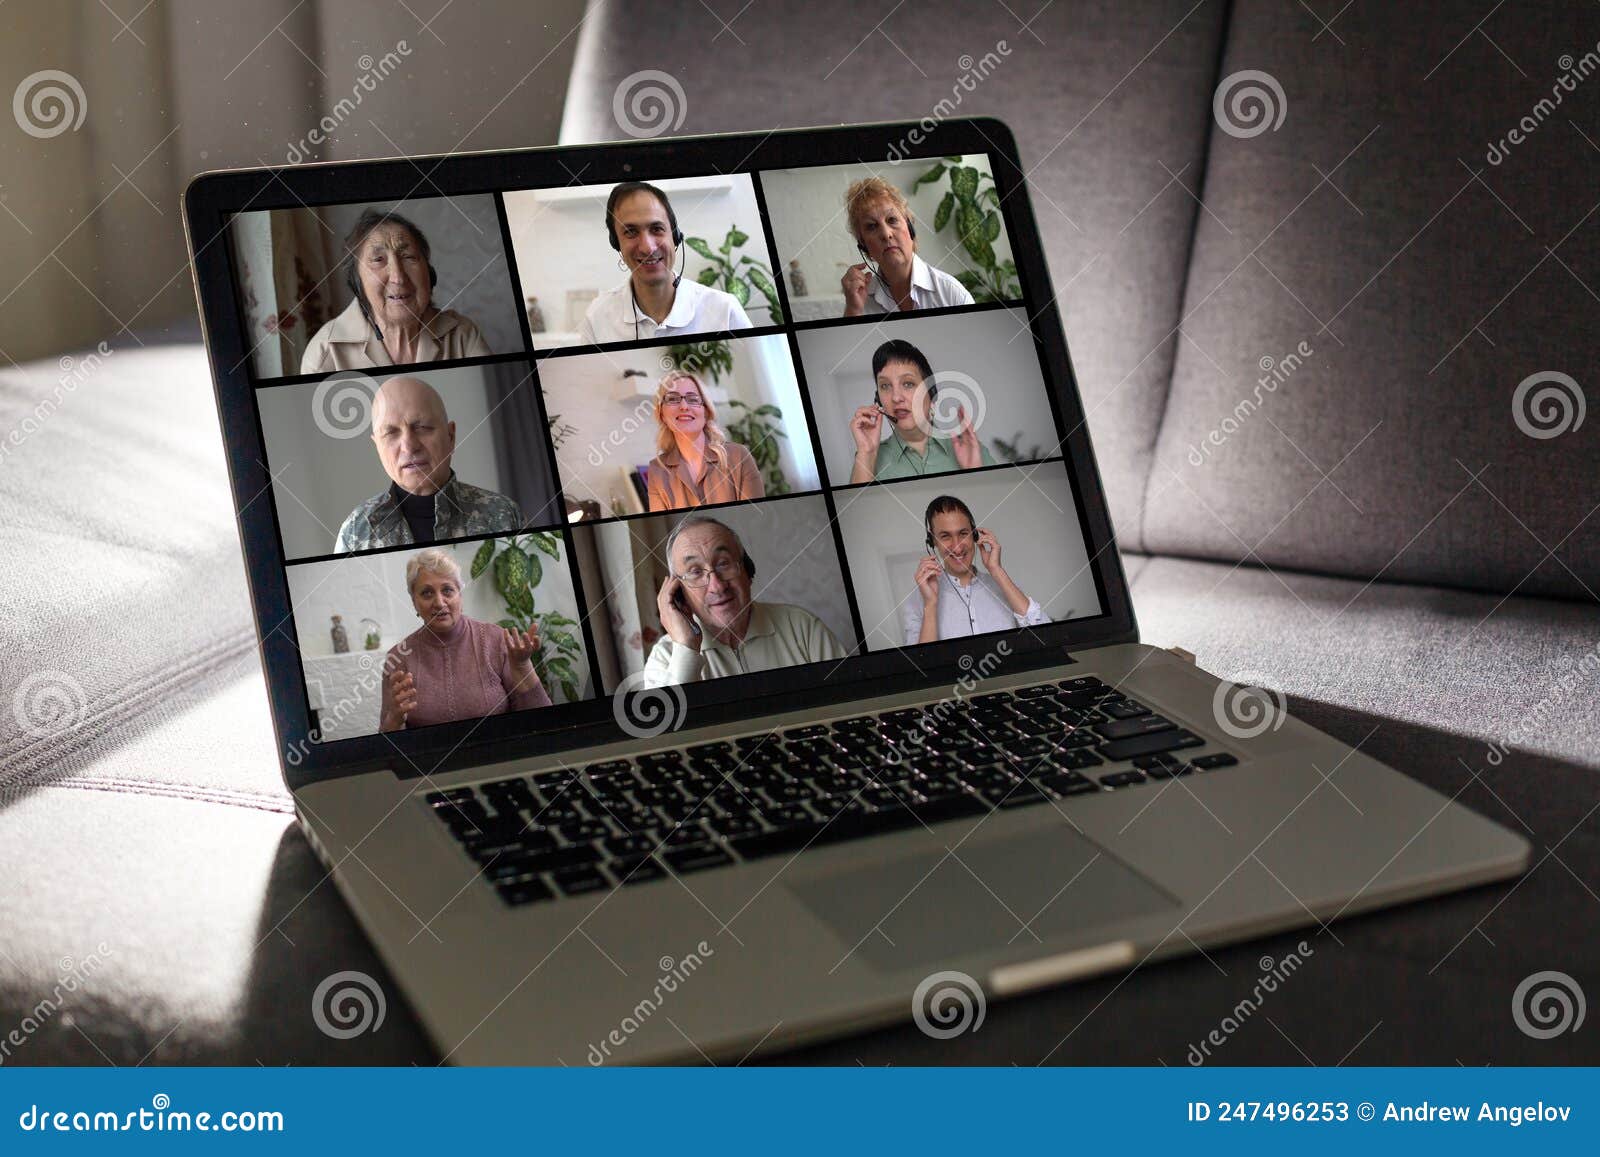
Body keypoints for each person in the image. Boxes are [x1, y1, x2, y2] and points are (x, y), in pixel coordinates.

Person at [642, 515, 846, 686]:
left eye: (723, 564)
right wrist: (686, 648)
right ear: (679, 593)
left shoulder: (802, 627)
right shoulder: (665, 656)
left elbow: (848, 701)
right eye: (695, 572)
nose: (717, 586)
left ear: (747, 571)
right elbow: (672, 731)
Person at [335, 375, 523, 552]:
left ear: (450, 436)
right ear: (378, 447)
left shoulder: (504, 514)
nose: (409, 447)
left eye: (422, 427)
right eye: (391, 433)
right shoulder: (356, 532)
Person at [380, 548, 551, 730]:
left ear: (460, 596)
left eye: (447, 590)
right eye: (427, 593)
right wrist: (394, 719)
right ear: (414, 602)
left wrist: (523, 666)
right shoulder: (398, 658)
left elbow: (544, 723)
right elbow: (387, 745)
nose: (439, 602)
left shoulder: (497, 639)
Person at [301, 208, 492, 372]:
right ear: (357, 283)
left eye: (408, 256)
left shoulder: (463, 336)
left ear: (430, 274)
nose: (398, 277)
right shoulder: (325, 353)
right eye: (378, 260)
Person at [579, 181, 753, 343]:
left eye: (657, 229)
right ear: (617, 244)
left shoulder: (724, 311)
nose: (647, 248)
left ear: (675, 237)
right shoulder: (597, 317)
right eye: (630, 232)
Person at [903, 495, 1050, 645]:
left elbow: (1047, 637)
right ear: (933, 541)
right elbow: (921, 664)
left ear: (974, 534)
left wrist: (997, 570)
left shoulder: (1002, 585)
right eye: (945, 536)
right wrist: (931, 605)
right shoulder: (918, 600)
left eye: (963, 533)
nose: (957, 547)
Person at [849, 339, 995, 482]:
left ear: (931, 394)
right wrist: (867, 453)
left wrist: (975, 473)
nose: (896, 397)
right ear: (878, 400)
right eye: (885, 386)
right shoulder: (867, 457)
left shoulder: (972, 450)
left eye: (908, 383)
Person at [839, 177, 975, 317]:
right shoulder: (860, 301)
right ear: (864, 246)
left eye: (892, 220)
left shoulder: (952, 294)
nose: (886, 234)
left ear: (910, 229)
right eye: (872, 226)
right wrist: (853, 310)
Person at [645, 370, 765, 510]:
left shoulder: (739, 456)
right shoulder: (656, 470)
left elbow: (754, 516)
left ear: (706, 411)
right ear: (662, 415)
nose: (684, 406)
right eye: (672, 399)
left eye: (693, 399)